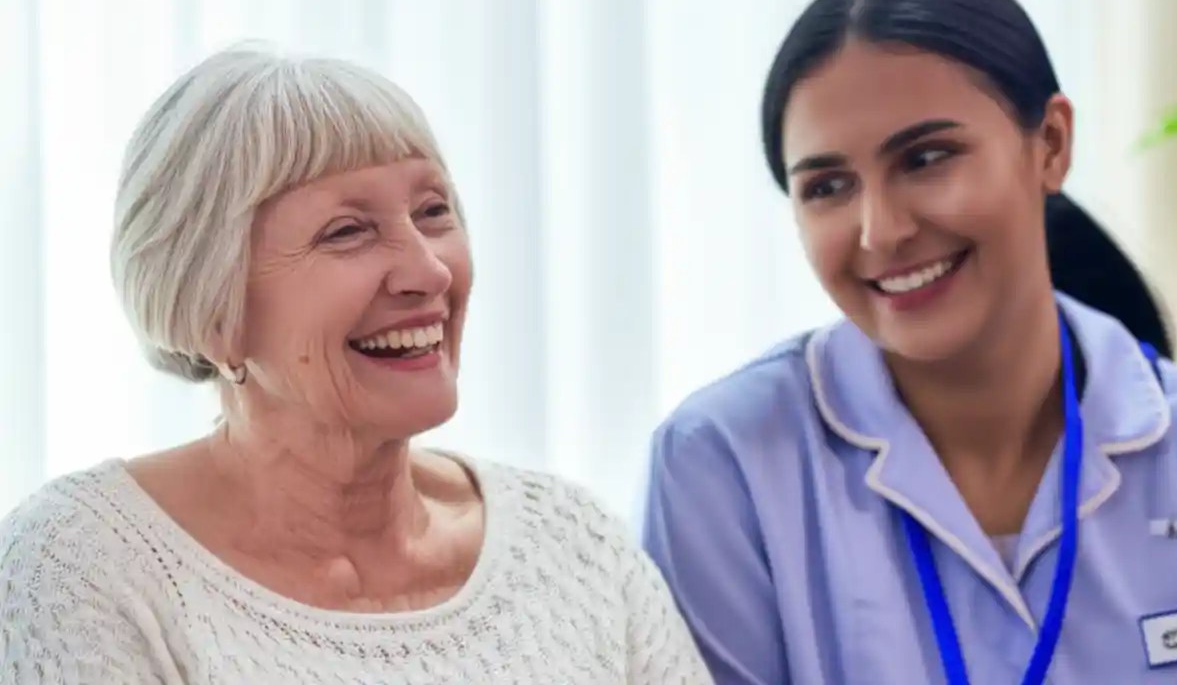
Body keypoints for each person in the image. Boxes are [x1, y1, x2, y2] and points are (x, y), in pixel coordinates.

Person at [641, 0, 1177, 683]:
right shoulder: (723, 465)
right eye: (827, 186)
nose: (880, 231)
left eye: (927, 158)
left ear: (1051, 145)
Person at [0, 46, 711, 684]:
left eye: (433, 211)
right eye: (348, 231)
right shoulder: (82, 563)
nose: (429, 271)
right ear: (209, 302)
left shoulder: (570, 541)